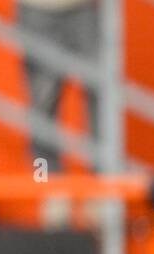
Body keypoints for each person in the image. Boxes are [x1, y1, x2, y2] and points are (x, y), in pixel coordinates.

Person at [16, 0, 98, 229]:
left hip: (86, 7)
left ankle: (101, 187)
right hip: (37, 7)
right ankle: (51, 185)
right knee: (42, 102)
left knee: (100, 97)